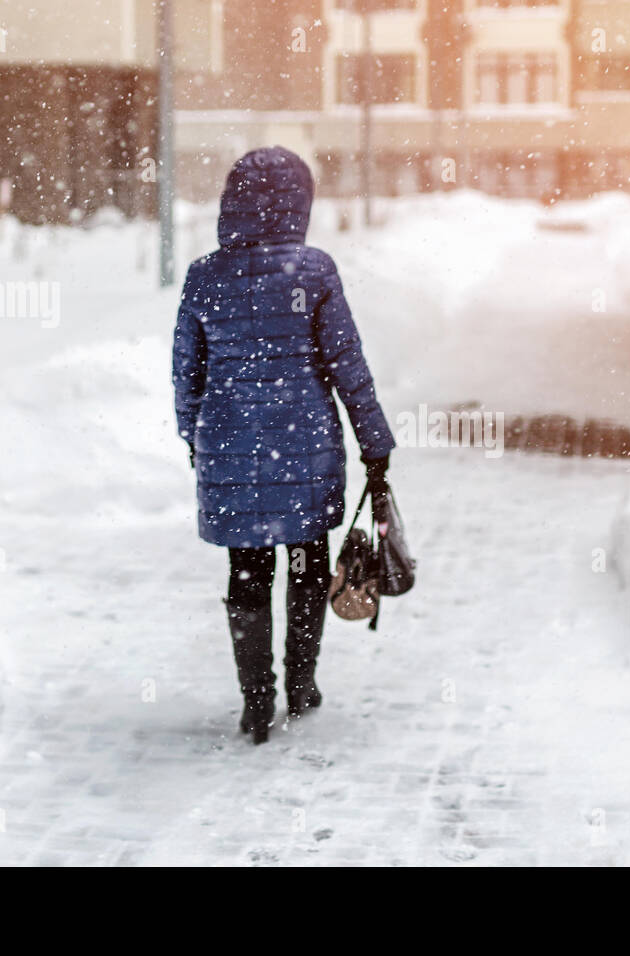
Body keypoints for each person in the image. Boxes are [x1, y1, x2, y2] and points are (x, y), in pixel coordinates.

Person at [172, 146, 395, 745]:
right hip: (305, 447)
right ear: (300, 204)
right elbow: (348, 364)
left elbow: (186, 371)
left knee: (247, 569)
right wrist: (375, 441)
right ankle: (300, 684)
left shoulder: (204, 276)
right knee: (305, 561)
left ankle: (255, 700)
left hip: (232, 447)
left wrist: (194, 435)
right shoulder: (313, 271)